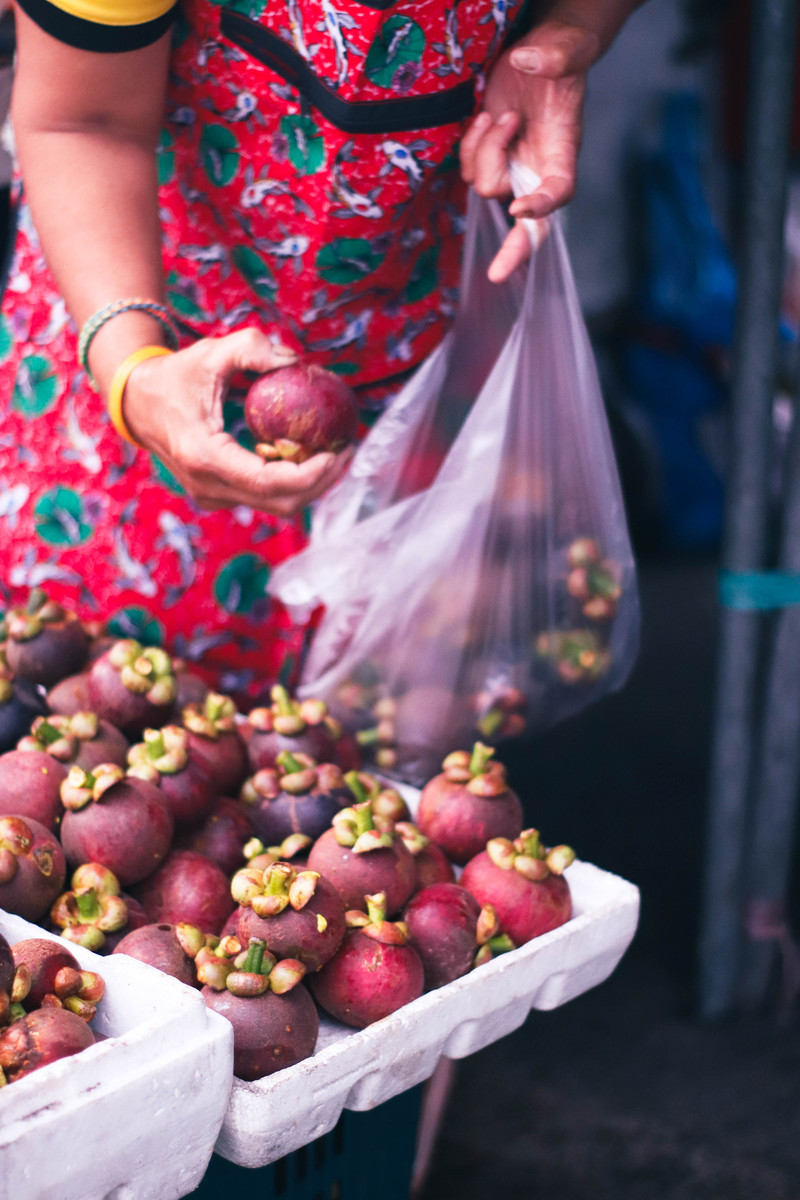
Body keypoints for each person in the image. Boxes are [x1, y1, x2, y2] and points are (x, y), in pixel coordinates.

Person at [0, 0, 643, 696]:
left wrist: (572, 28)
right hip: (138, 315)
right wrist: (132, 369)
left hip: (427, 344)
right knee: (90, 704)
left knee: (395, 718)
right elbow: (83, 119)